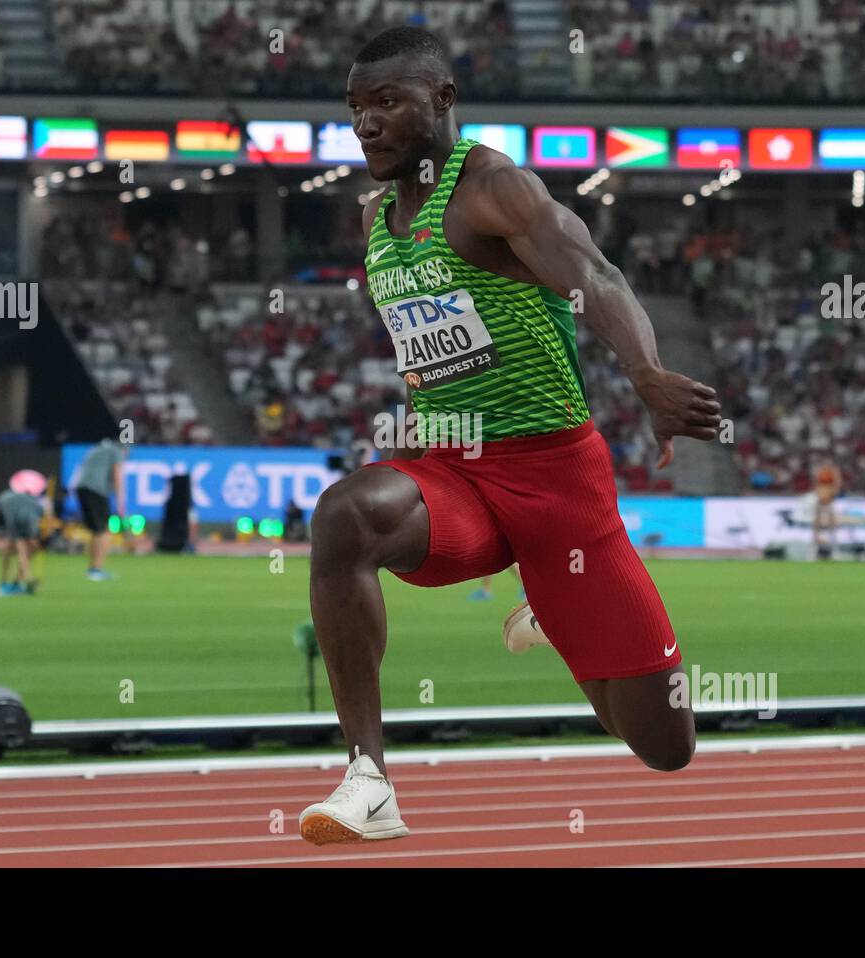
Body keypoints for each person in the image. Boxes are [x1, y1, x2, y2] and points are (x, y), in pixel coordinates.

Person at [298, 27, 721, 845]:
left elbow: (595, 276)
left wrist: (646, 374)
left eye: (387, 101)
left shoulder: (494, 188)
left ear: (443, 99)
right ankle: (368, 780)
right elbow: (430, 344)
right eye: (355, 108)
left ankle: (555, 608)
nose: (366, 123)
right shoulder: (376, 218)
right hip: (454, 475)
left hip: (557, 486)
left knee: (663, 745)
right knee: (344, 515)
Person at [74, 438, 128, 580]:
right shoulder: (116, 451)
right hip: (96, 490)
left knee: (96, 531)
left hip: (82, 488)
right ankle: (96, 569)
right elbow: (117, 475)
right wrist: (121, 504)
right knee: (104, 530)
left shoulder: (97, 448)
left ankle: (92, 568)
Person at [0, 472, 46, 596]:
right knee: (17, 547)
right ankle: (19, 580)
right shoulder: (33, 504)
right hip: (10, 521)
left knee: (25, 547)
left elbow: (33, 526)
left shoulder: (35, 505)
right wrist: (3, 530)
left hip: (16, 521)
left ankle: (14, 582)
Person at [812, 457, 842, 559]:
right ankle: (816, 547)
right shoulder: (820, 472)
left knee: (832, 523)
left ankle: (833, 547)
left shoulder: (834, 472)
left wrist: (831, 494)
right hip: (821, 498)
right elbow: (816, 484)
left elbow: (837, 484)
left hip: (829, 498)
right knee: (817, 523)